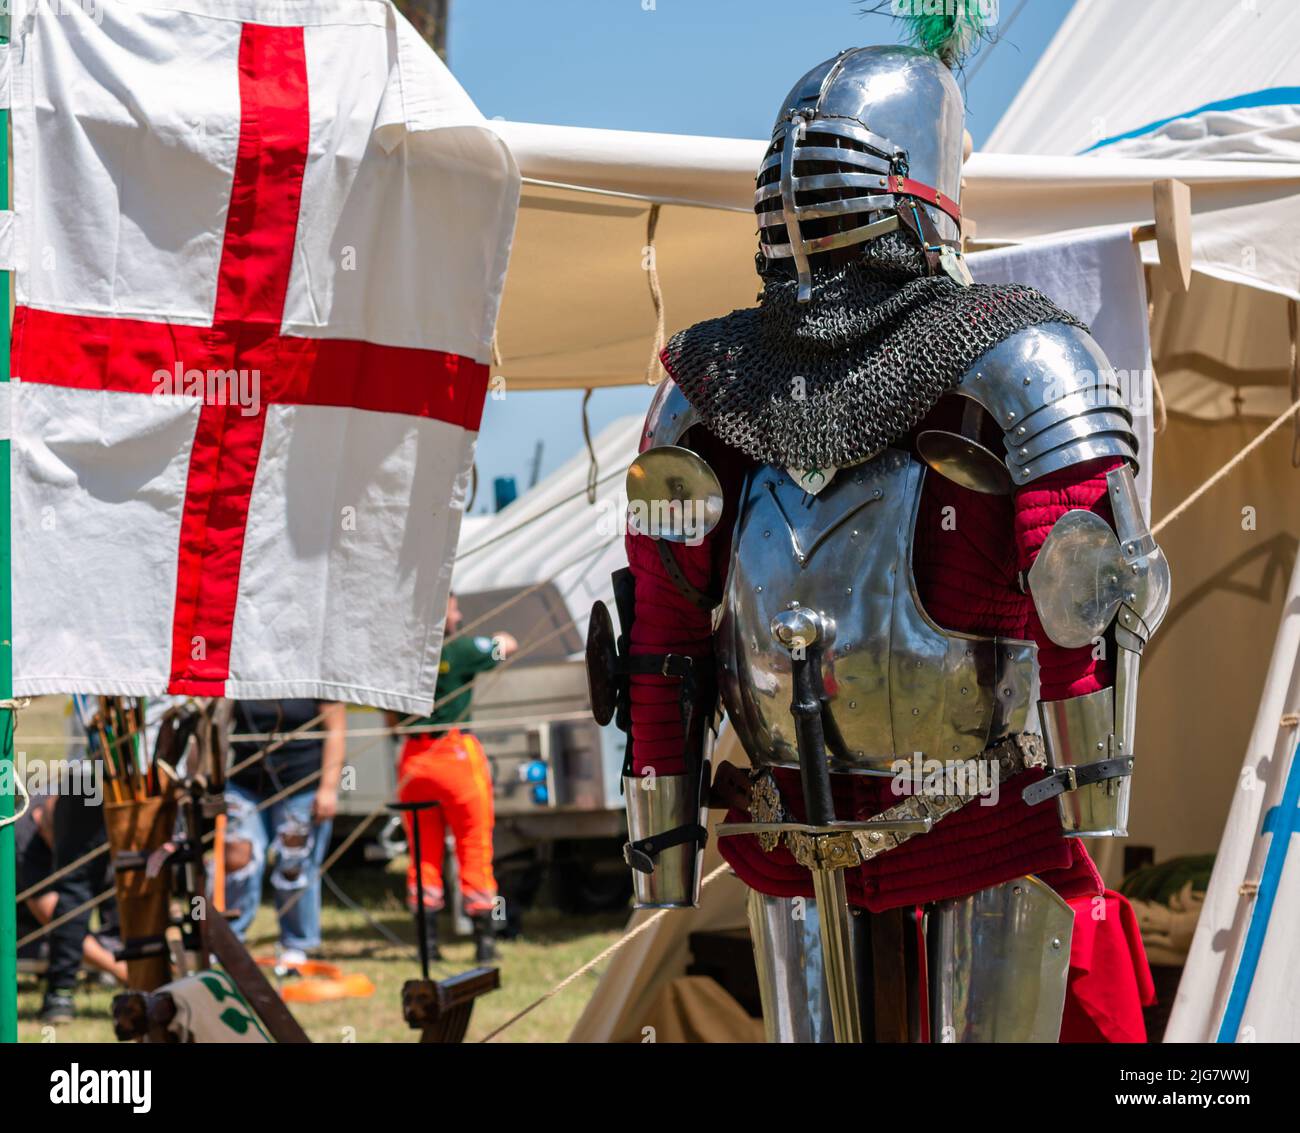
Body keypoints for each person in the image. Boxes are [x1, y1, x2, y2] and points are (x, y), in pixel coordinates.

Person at [593, 32, 1170, 1042]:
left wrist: (1090, 795)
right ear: (930, 191)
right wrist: (662, 838)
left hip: (979, 833)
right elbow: (662, 633)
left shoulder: (1018, 359)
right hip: (791, 837)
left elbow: (1084, 593)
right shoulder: (702, 392)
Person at [391, 592, 516, 962]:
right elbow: (506, 646)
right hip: (454, 754)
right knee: (473, 845)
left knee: (421, 852)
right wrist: (504, 637)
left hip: (412, 759)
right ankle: (484, 945)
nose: (459, 615)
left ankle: (427, 946)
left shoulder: (400, 659)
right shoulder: (460, 650)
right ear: (440, 614)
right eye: (454, 608)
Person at [223, 699, 347, 970]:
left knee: (293, 864)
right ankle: (228, 941)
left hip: (302, 781)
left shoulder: (314, 670)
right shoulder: (242, 669)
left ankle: (297, 944)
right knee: (238, 859)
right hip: (246, 783)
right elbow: (217, 725)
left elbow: (336, 731)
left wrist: (328, 788)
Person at [19, 789, 127, 1020]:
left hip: (69, 919)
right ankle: (60, 993)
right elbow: (54, 918)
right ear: (40, 822)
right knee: (56, 942)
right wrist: (122, 971)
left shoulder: (74, 811)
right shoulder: (24, 842)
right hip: (23, 928)